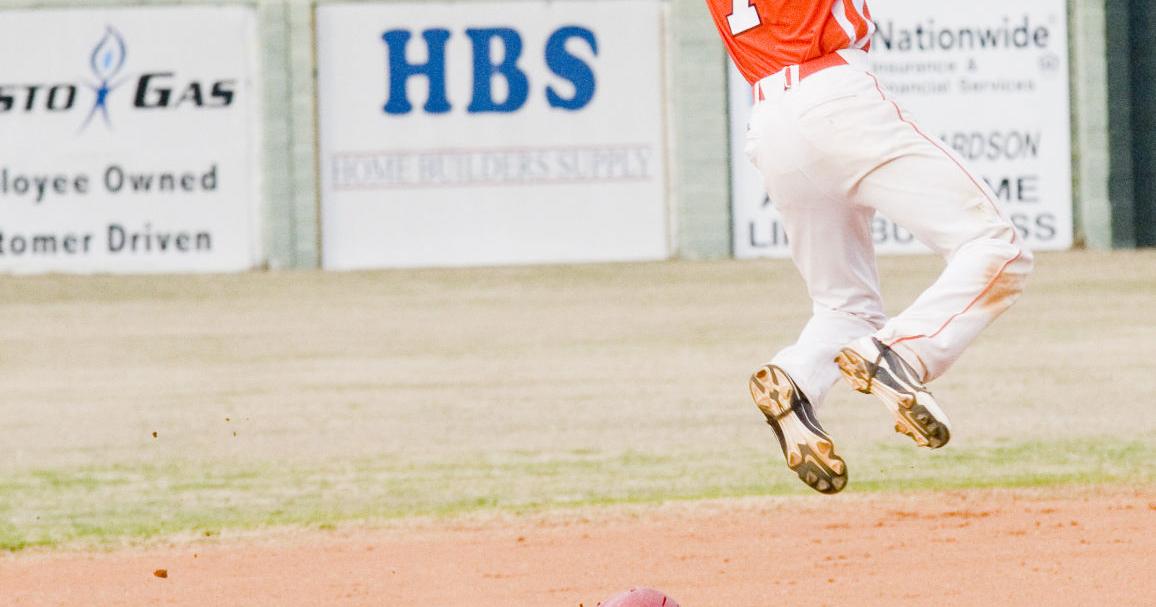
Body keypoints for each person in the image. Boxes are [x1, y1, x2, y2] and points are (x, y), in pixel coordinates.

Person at [705, 0, 1034, 494]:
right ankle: (901, 354)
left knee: (845, 306)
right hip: (835, 96)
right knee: (996, 245)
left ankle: (795, 379)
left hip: (770, 122)